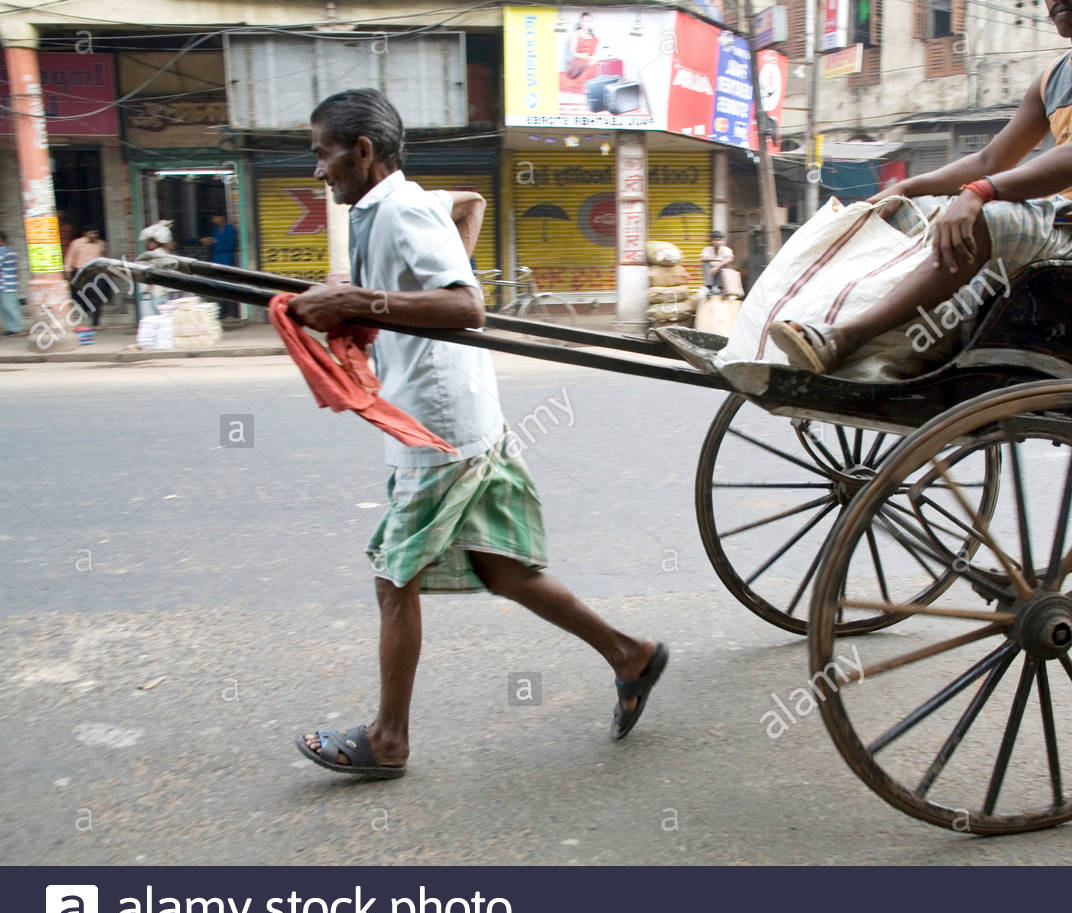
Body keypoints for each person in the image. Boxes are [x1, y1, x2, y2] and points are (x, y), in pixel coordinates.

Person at [287, 88, 667, 778]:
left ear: (364, 152)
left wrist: (356, 301)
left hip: (439, 427)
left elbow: (467, 305)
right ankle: (628, 653)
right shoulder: (393, 206)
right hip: (449, 414)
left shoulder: (401, 211)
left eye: (323, 155)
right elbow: (471, 207)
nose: (318, 171)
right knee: (504, 569)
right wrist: (361, 296)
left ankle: (389, 739)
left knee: (391, 577)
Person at [770, 0, 1072, 374]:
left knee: (979, 218)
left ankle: (847, 338)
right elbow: (989, 160)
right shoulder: (1052, 79)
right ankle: (873, 343)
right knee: (919, 214)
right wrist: (907, 189)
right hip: (1062, 226)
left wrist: (979, 192)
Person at [65, 227, 108, 326]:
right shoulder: (76, 243)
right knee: (79, 294)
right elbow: (70, 257)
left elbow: (104, 257)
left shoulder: (101, 244)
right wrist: (67, 271)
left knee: (96, 296)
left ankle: (95, 322)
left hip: (95, 272)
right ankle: (85, 308)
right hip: (80, 272)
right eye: (91, 233)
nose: (94, 235)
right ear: (86, 233)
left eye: (95, 233)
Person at [200, 213, 239, 317]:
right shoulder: (216, 230)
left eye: (215, 217)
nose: (214, 220)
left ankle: (232, 312)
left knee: (229, 285)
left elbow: (231, 244)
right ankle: (223, 311)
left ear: (222, 217)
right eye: (213, 218)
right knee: (220, 287)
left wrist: (215, 241)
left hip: (227, 258)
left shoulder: (230, 229)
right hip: (218, 259)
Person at [699, 230, 734, 295]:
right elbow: (703, 258)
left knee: (725, 263)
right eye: (715, 240)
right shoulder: (707, 249)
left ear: (723, 241)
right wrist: (716, 262)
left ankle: (719, 287)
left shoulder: (726, 249)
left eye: (719, 240)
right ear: (712, 241)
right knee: (705, 264)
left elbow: (729, 258)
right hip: (711, 273)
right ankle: (709, 287)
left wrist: (717, 266)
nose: (717, 242)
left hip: (721, 273)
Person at [0, 232, 22, 335]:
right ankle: (13, 327)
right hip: (11, 283)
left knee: (7, 307)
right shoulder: (12, 252)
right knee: (11, 306)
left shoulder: (1, 251)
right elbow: (17, 269)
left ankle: (14, 328)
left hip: (4, 284)